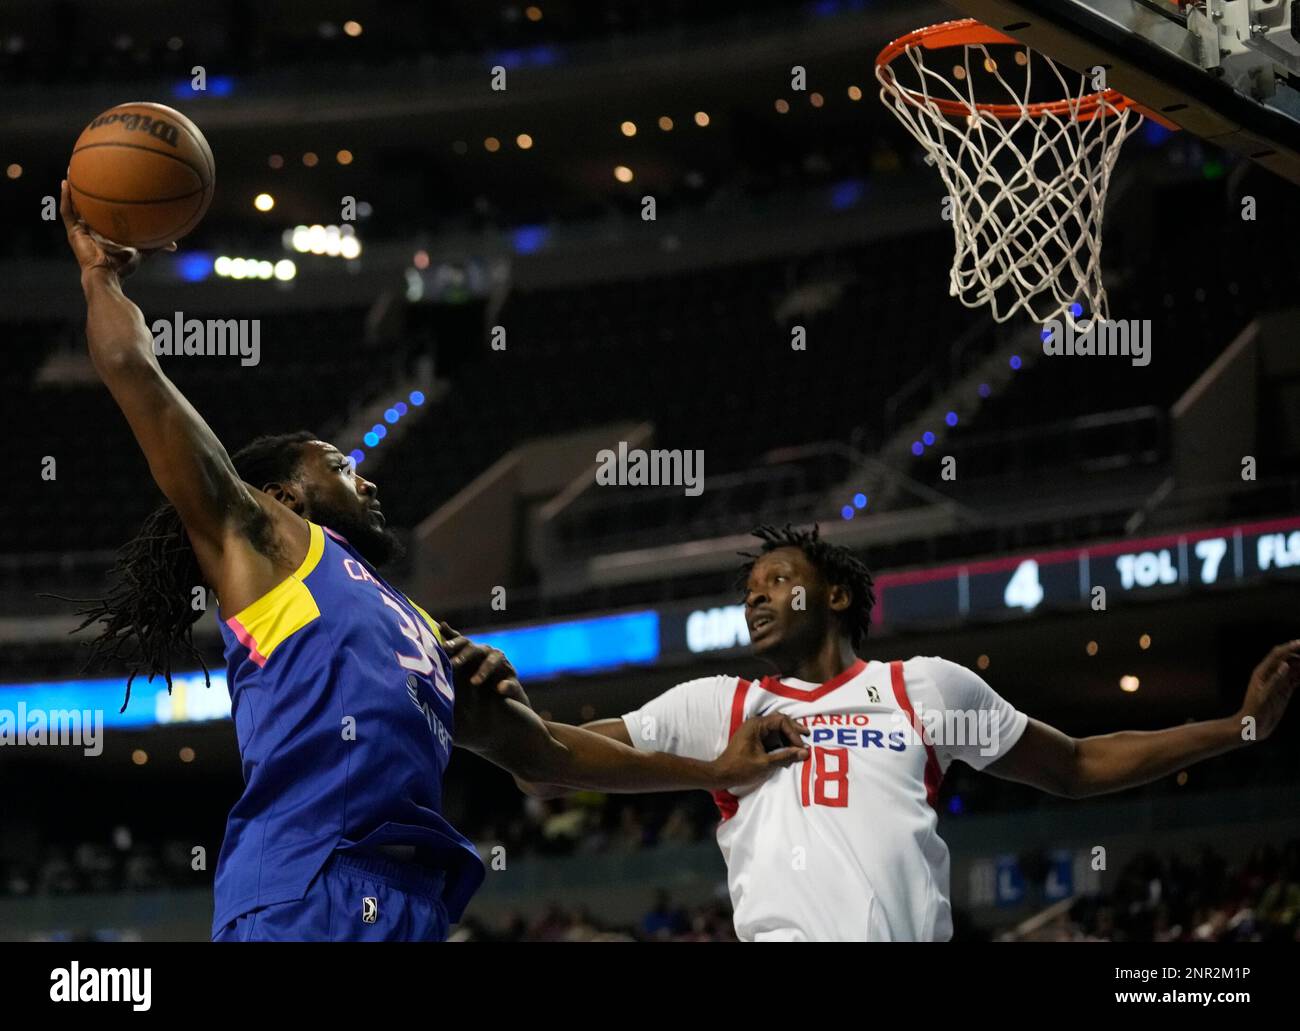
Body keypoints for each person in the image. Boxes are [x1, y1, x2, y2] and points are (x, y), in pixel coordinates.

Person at [59, 184, 808, 942]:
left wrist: (714, 769)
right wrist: (101, 277)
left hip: (412, 900)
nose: (369, 478)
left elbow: (545, 753)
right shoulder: (263, 543)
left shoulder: (417, 624)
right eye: (343, 466)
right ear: (287, 494)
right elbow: (135, 370)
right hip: (305, 886)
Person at [512, 523, 1300, 941]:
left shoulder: (921, 687)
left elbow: (1080, 763)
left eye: (778, 581)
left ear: (839, 599)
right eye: (749, 590)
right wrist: (484, 693)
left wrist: (1238, 727)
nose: (756, 598)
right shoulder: (717, 704)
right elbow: (540, 765)